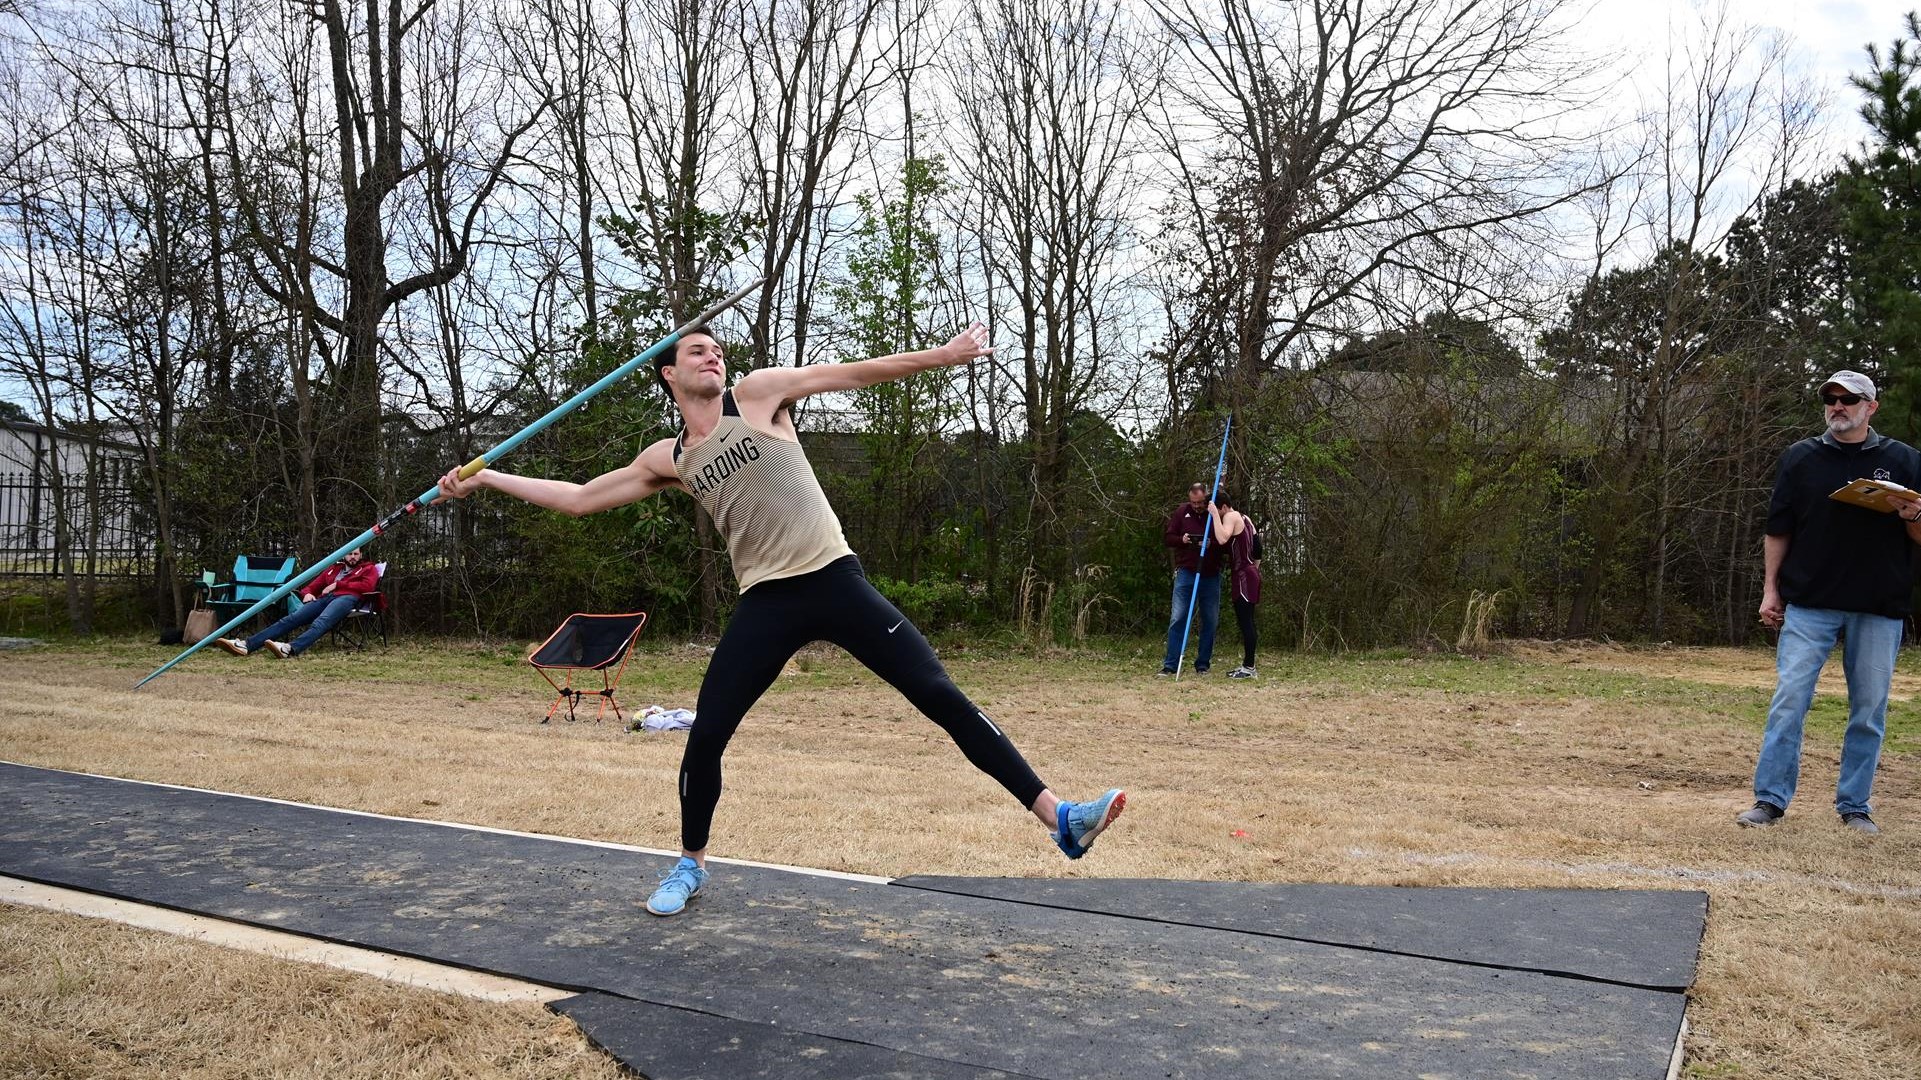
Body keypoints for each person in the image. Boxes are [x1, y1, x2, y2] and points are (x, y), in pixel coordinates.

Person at [435, 323, 1126, 916]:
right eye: (698, 352)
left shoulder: (760, 395)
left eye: (716, 351)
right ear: (668, 374)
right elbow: (581, 497)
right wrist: (488, 477)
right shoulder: (670, 457)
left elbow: (851, 374)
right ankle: (690, 865)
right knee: (705, 737)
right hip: (766, 602)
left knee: (940, 696)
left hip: (835, 579)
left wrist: (940, 357)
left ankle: (1060, 819)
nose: (714, 358)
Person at [1740, 370, 1921, 836]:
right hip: (1810, 603)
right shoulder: (1801, 458)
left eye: (1849, 399)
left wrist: (1912, 516)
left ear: (1871, 407)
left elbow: (1918, 537)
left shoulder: (1904, 460)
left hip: (1879, 606)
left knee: (1869, 710)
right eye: (1831, 398)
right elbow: (1778, 529)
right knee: (1789, 700)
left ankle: (1855, 806)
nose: (1838, 406)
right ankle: (1770, 800)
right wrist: (1770, 591)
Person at [216, 547, 380, 659]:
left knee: (320, 622)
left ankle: (290, 648)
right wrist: (307, 594)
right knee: (291, 619)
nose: (353, 557)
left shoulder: (368, 568)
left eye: (356, 554)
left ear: (360, 555)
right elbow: (311, 587)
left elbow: (367, 586)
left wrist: (338, 584)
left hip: (348, 599)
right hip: (325, 599)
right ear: (344, 555)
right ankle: (246, 645)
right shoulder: (333, 569)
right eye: (350, 554)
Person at [1159, 481, 1223, 675]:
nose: (1197, 506)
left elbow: (1225, 542)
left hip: (1210, 575)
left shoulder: (1214, 513)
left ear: (1206, 498)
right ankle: (1170, 665)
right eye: (1193, 502)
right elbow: (1169, 538)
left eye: (1200, 502)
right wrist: (1183, 540)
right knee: (1178, 617)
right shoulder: (1181, 512)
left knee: (1210, 620)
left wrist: (1212, 544)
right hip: (1186, 573)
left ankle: (1202, 664)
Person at [1208, 493, 1261, 680]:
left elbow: (1222, 538)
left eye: (1218, 511)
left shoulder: (1230, 516)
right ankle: (1248, 665)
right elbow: (1258, 546)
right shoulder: (1246, 518)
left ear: (1223, 507)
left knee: (1246, 621)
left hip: (1244, 576)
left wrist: (1214, 514)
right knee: (1247, 620)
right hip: (1249, 573)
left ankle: (1249, 667)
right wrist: (1255, 569)